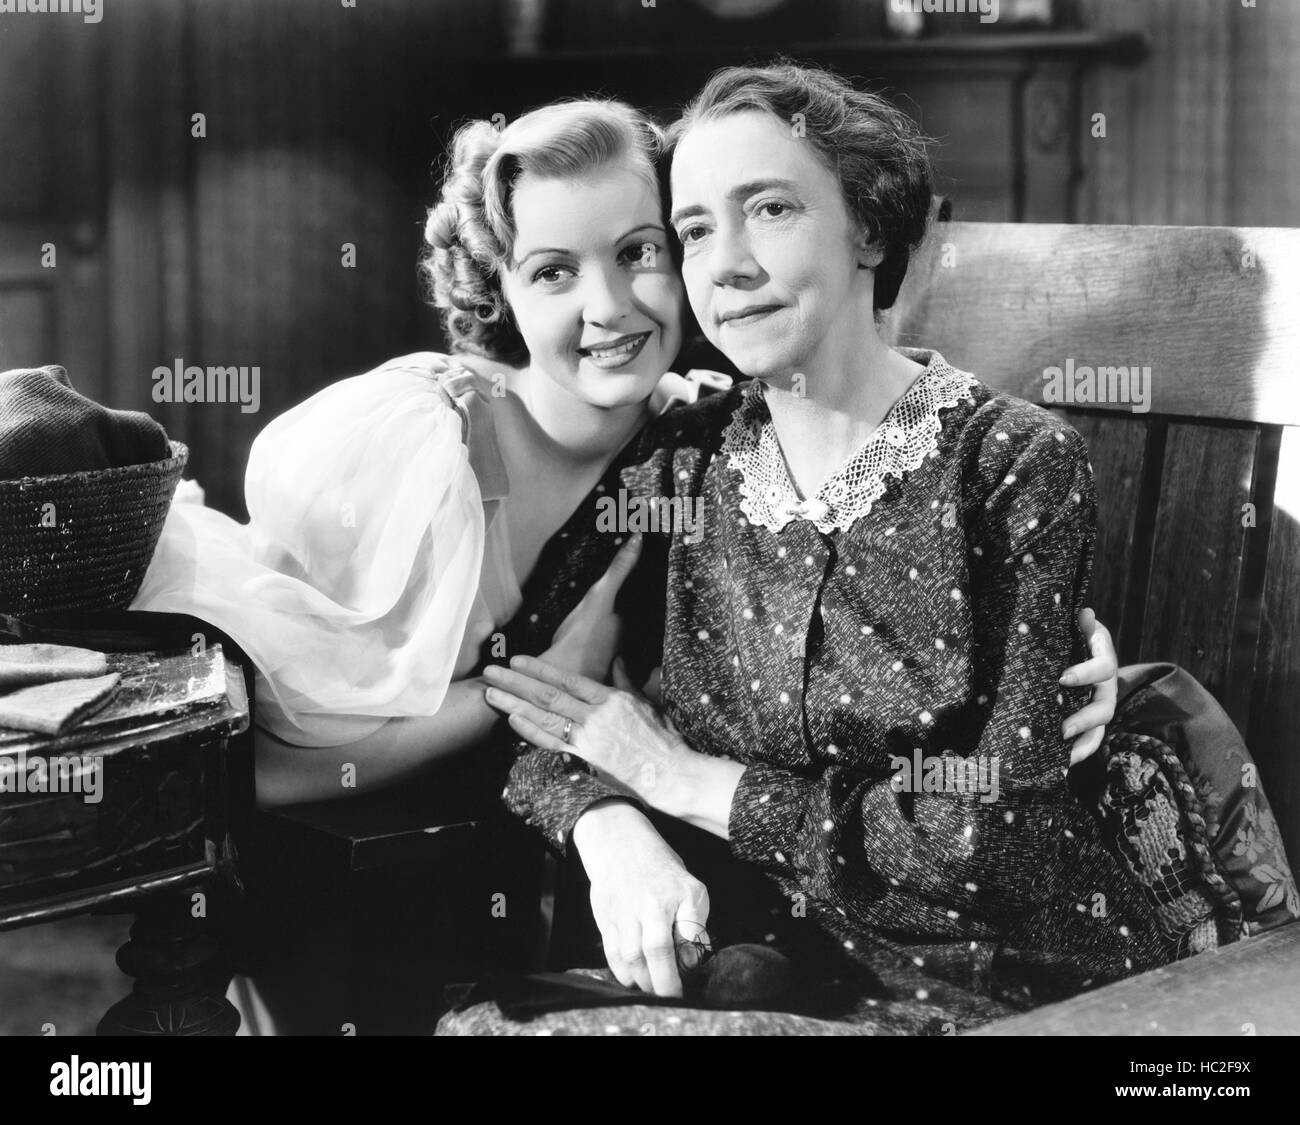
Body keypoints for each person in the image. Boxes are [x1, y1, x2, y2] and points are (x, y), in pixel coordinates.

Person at [131, 93, 1119, 1033]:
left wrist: (675, 779)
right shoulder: (437, 448)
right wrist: (607, 814)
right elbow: (351, 716)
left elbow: (983, 772)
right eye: (553, 271)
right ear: (503, 295)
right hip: (265, 788)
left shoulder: (694, 441)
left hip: (942, 955)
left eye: (644, 250)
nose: (609, 303)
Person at [469, 63, 1172, 1033]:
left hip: (994, 988)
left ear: (868, 230)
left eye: (769, 211)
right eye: (695, 231)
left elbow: (991, 830)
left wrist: (696, 785)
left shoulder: (1009, 464)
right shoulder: (679, 463)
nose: (725, 266)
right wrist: (611, 825)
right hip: (741, 977)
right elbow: (528, 705)